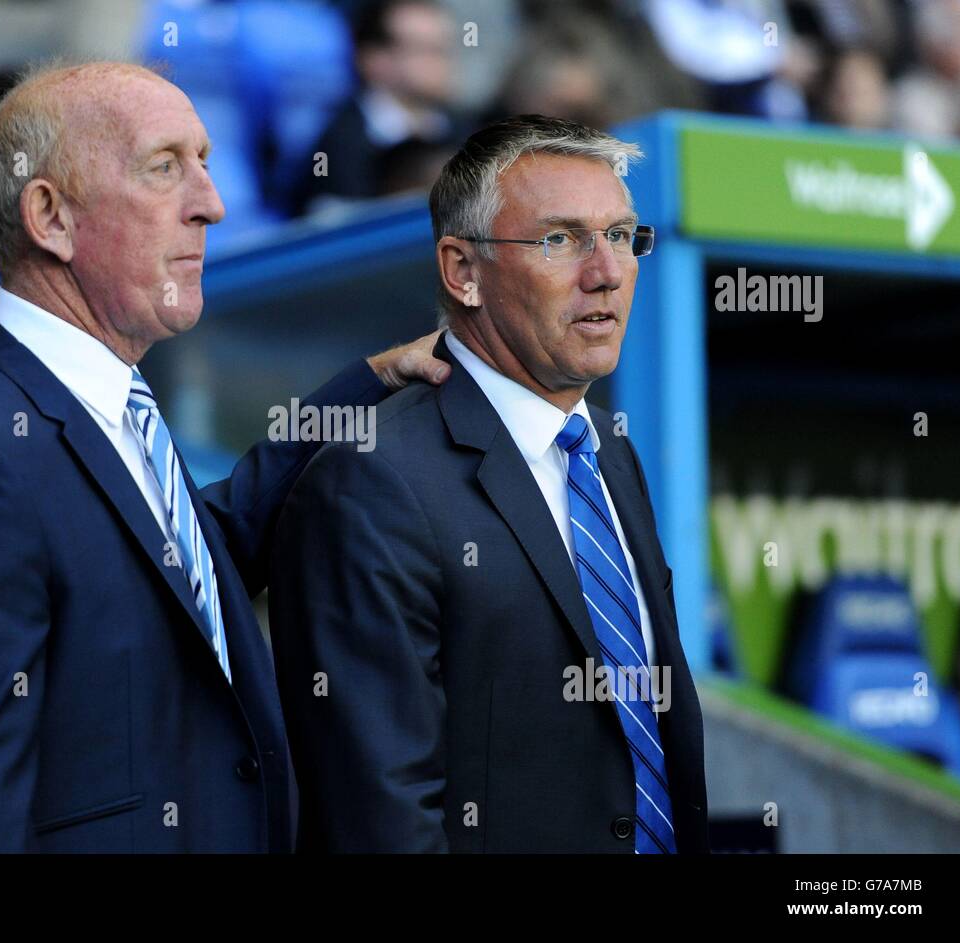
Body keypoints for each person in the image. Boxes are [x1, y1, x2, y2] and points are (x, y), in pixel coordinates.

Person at [0, 61, 448, 853]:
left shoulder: (103, 397)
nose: (212, 204)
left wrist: (368, 384)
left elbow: (178, 569)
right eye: (164, 167)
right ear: (51, 217)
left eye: (205, 161)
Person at [270, 114, 709, 853]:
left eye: (621, 235)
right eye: (560, 239)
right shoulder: (369, 482)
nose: (606, 271)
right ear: (462, 271)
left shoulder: (609, 450)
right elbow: (384, 819)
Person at [291, 0, 461, 214]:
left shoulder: (463, 130)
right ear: (374, 59)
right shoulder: (339, 147)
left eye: (444, 48)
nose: (443, 62)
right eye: (426, 50)